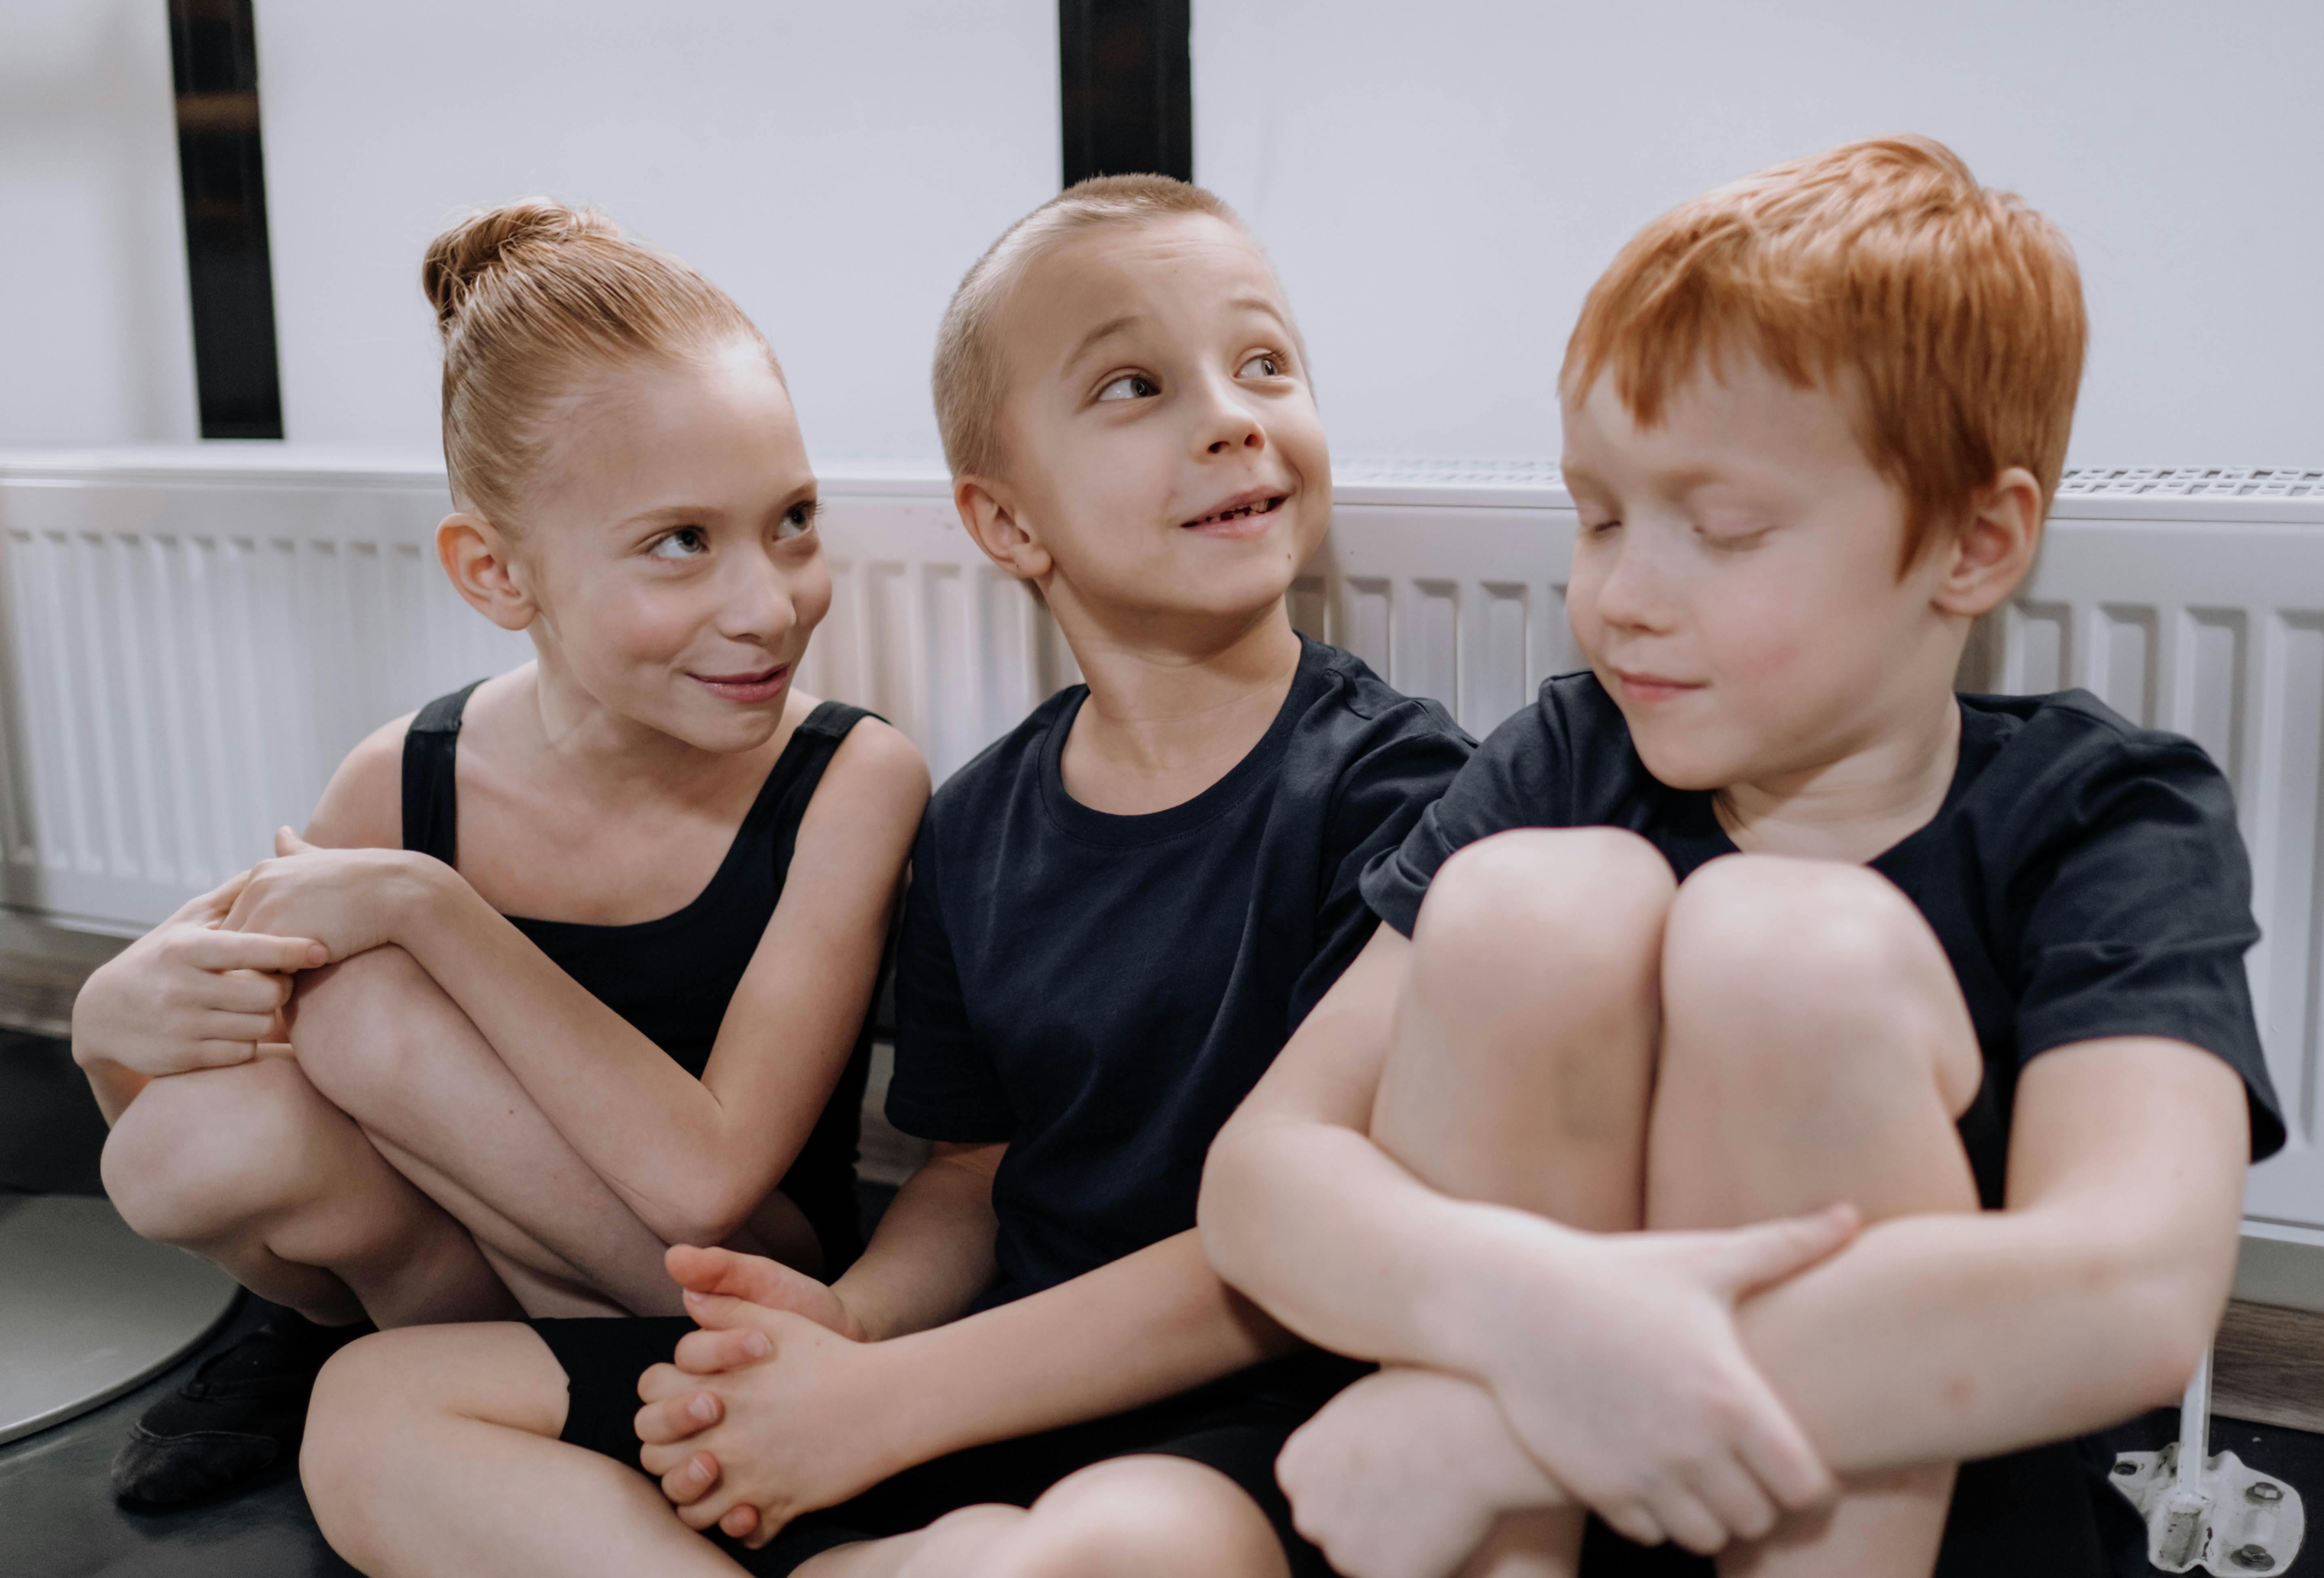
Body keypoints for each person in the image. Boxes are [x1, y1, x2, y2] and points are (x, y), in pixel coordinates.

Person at [298, 174, 1474, 1578]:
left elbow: (1313, 1248)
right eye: (1136, 385)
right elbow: (971, 1176)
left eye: (1265, 362)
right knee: (372, 1408)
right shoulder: (976, 821)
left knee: (1119, 1547)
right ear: (1009, 524)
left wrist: (882, 1399)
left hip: (1233, 1419)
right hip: (958, 1388)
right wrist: (847, 1328)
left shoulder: (1401, 795)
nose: (1231, 415)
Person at [1198, 135, 2286, 1578]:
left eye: (1721, 530)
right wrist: (1533, 1320)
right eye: (1598, 518)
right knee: (1528, 909)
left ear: (1974, 542)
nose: (1623, 597)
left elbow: (2134, 1292)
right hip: (1553, 1542)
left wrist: (1501, 1432)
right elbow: (1262, 1177)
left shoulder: (2103, 815)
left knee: (1787, 951)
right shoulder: (1566, 763)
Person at [70, 199, 928, 1507]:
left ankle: (511, 1391)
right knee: (188, 1137)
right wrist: (105, 1026)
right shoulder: (403, 778)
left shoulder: (853, 781)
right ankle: (385, 1352)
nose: (771, 604)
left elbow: (704, 1179)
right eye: (682, 542)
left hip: (732, 1281)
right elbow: (168, 1130)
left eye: (793, 519)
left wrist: (428, 908)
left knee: (360, 1008)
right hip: (472, 1266)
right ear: (495, 574)